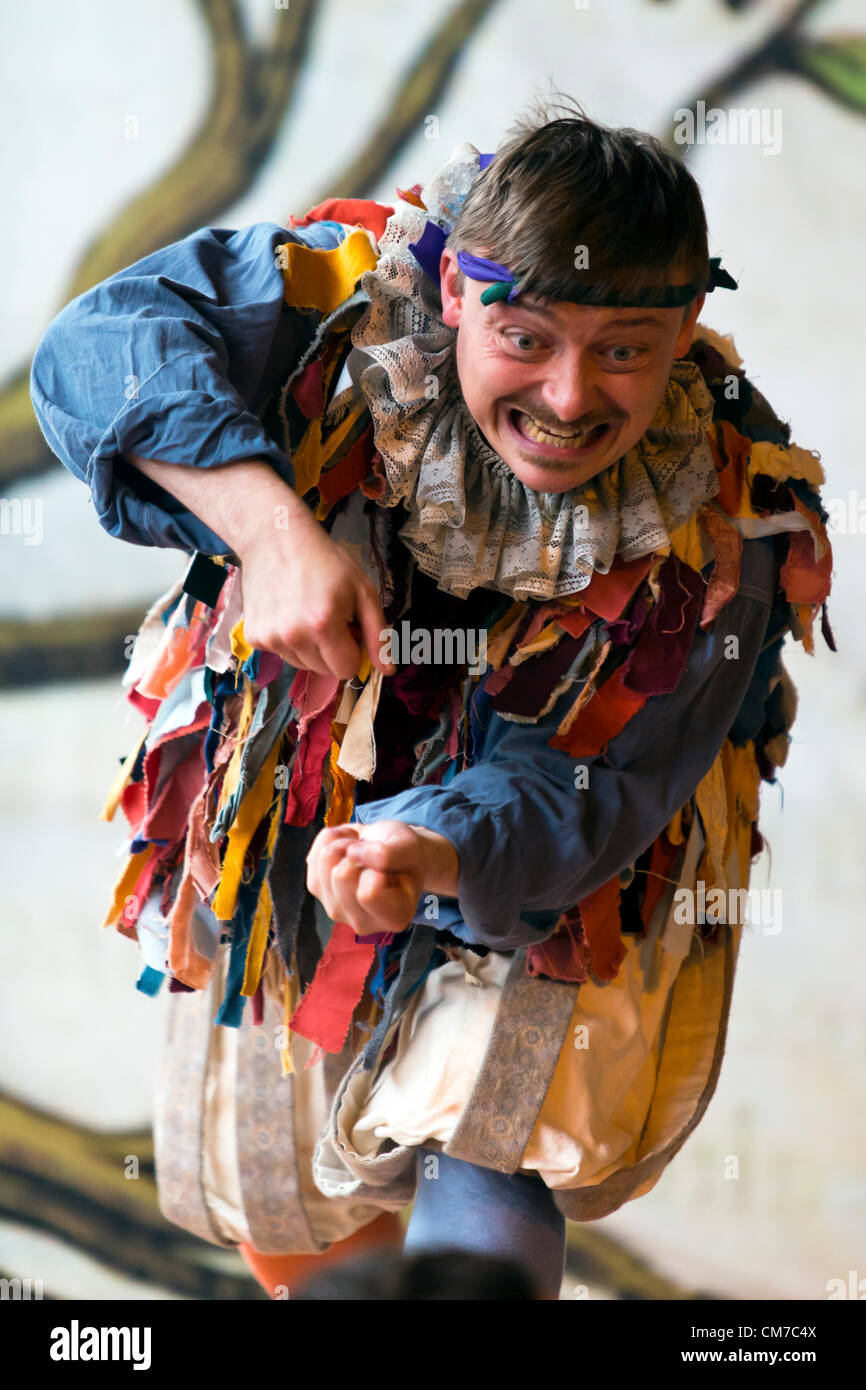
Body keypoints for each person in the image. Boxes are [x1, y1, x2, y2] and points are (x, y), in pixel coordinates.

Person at [30, 97, 835, 1302]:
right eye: (526, 335)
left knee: (497, 1105)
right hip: (295, 771)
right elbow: (91, 349)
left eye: (622, 346)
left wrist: (437, 841)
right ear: (455, 293)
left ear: (689, 324)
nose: (568, 397)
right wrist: (274, 531)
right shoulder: (327, 300)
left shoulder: (729, 517)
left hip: (555, 845)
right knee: (285, 1170)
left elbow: (603, 783)